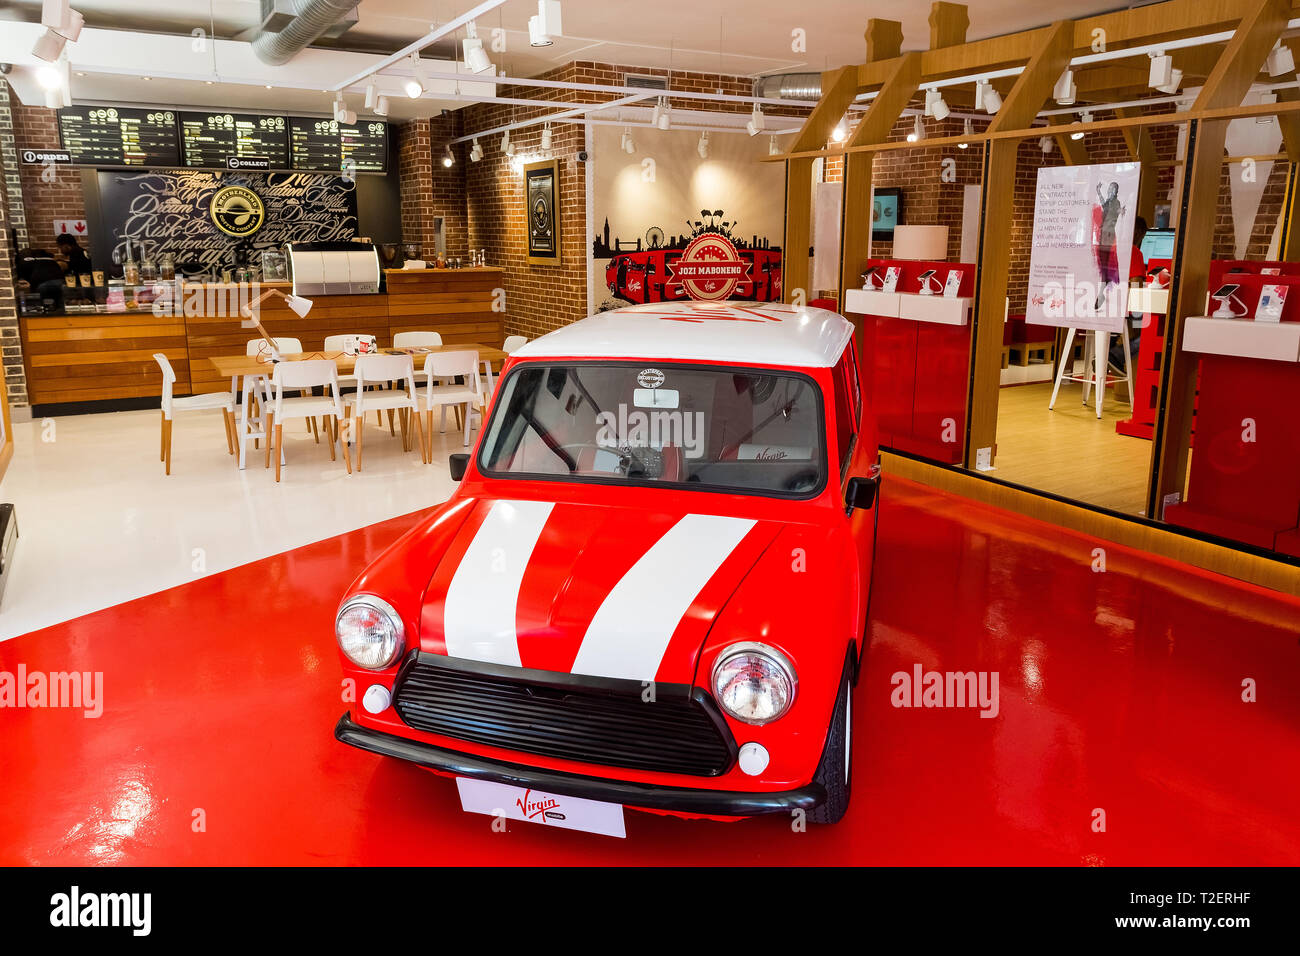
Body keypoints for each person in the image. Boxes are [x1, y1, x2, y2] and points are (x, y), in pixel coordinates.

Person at [1110, 216, 1148, 372]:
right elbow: (1136, 284)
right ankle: (1115, 356)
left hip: (1105, 307)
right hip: (1125, 310)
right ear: (1139, 233)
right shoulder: (1134, 252)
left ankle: (1109, 351)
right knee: (1147, 333)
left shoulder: (1110, 248)